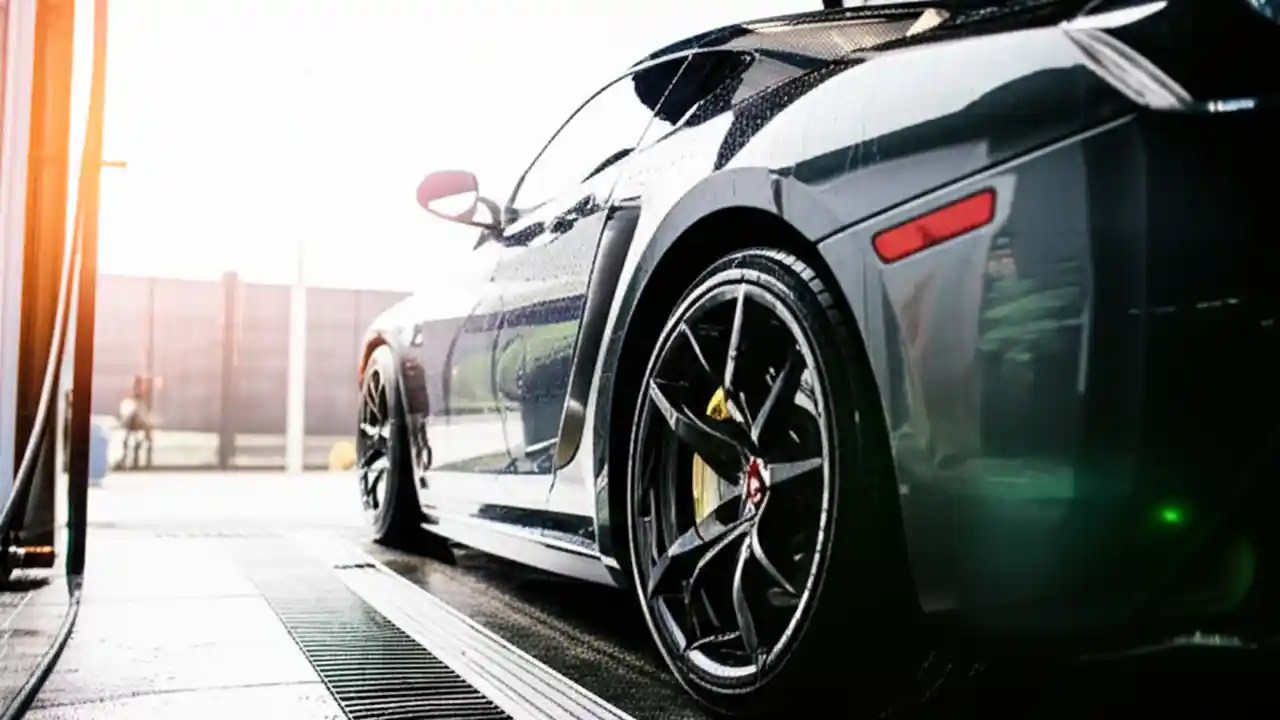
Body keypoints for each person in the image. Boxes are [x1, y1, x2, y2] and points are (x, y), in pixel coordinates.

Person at [116, 374, 154, 470]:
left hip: (139, 422)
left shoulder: (142, 403)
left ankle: (142, 461)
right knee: (129, 440)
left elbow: (144, 418)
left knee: (141, 440)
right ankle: (129, 460)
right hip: (132, 421)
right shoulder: (132, 401)